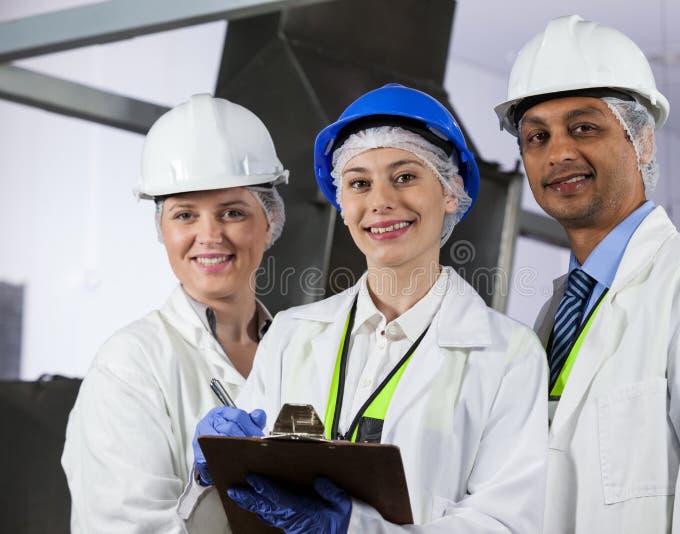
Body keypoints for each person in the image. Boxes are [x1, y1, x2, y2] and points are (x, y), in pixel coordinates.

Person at [178, 83, 549, 533]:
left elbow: (506, 524)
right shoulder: (292, 335)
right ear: (342, 202)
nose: (381, 201)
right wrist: (215, 465)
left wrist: (354, 529)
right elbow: (243, 506)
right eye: (359, 183)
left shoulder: (508, 355)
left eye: (405, 176)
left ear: (450, 191)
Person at [494, 14, 680, 533]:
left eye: (583, 127)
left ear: (642, 141)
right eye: (536, 136)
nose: (558, 152)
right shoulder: (556, 314)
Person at [61, 94, 289, 533]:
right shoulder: (129, 364)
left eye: (233, 212)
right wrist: (201, 485)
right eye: (185, 215)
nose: (210, 236)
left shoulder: (303, 349)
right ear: (162, 231)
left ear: (269, 221)